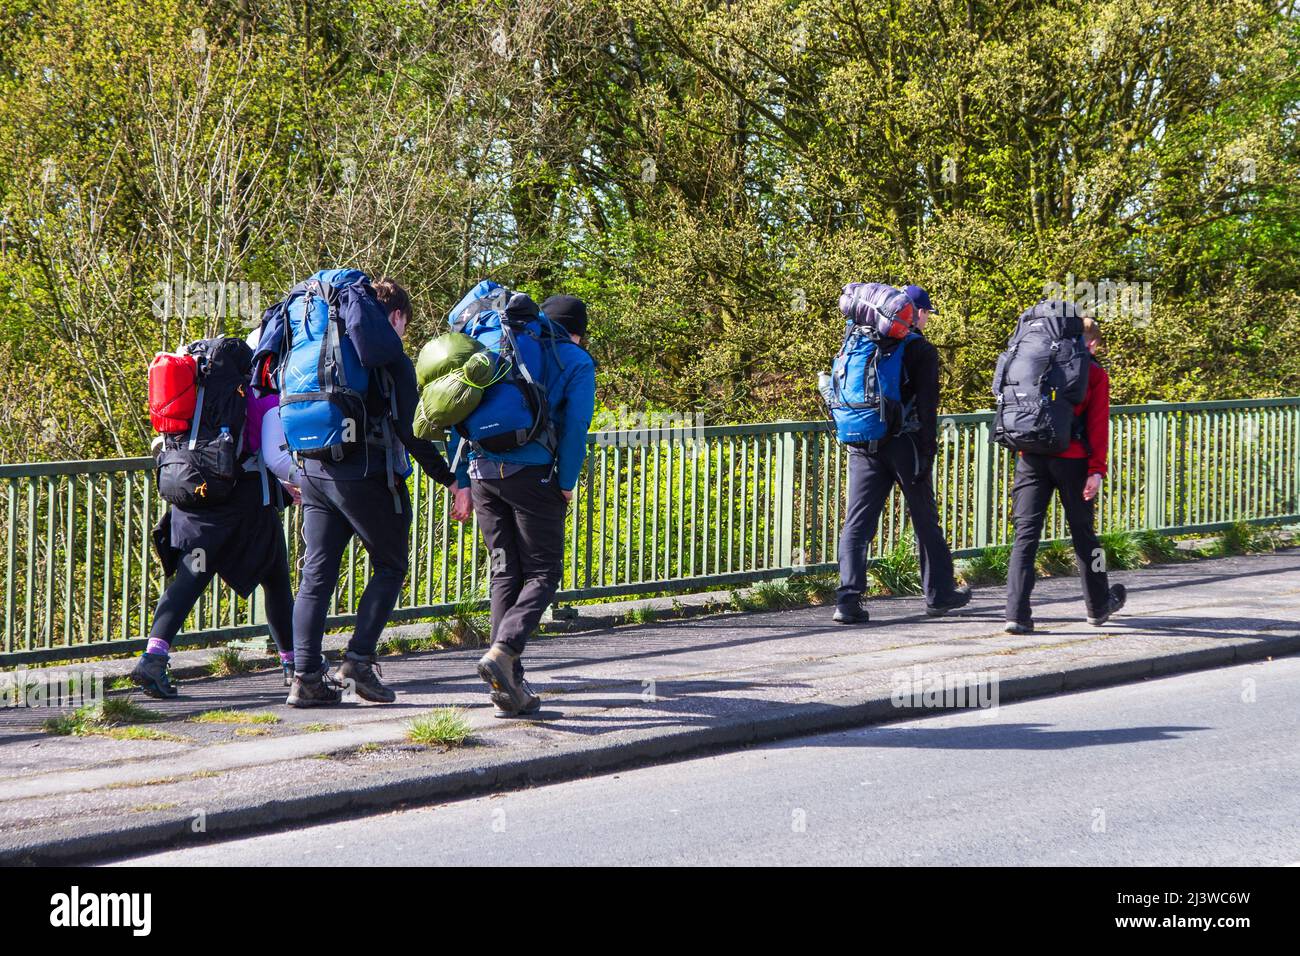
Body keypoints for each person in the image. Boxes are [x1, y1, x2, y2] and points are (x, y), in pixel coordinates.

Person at [284, 277, 457, 707]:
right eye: (405, 325)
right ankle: (358, 662)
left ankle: (305, 678)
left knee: (316, 574)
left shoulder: (322, 342)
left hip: (313, 469)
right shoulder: (388, 356)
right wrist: (449, 477)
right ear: (395, 316)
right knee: (391, 563)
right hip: (366, 474)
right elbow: (410, 429)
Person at [448, 293, 596, 717]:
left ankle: (508, 682)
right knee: (543, 571)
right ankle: (504, 652)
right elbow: (575, 427)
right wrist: (566, 482)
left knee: (503, 571)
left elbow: (461, 412)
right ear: (578, 331)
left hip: (481, 476)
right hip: (533, 478)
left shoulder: (496, 349)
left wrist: (461, 481)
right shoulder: (574, 360)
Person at [131, 341, 298, 699]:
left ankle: (153, 657)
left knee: (189, 578)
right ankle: (295, 664)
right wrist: (297, 486)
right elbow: (273, 456)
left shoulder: (201, 394)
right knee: (275, 578)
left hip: (195, 496)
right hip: (244, 505)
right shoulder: (262, 400)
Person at [834, 284, 971, 624]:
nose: (925, 319)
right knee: (925, 518)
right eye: (926, 313)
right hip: (903, 444)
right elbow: (927, 408)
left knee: (857, 522)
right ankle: (939, 595)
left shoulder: (858, 338)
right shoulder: (919, 350)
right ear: (918, 313)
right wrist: (928, 451)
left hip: (862, 442)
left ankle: (847, 601)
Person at [1004, 317, 1126, 633]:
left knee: (1025, 536)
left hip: (1030, 456)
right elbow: (1098, 427)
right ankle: (1098, 606)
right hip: (1073, 460)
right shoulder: (1095, 373)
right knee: (1085, 536)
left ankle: (1016, 615)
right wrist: (1097, 470)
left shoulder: (1036, 363)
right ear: (1093, 343)